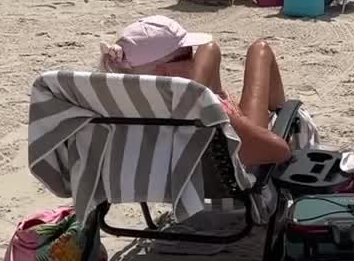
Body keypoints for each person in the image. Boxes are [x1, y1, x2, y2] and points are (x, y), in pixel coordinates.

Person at [99, 16, 292, 167]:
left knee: (210, 49)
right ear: (165, 71)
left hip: (176, 167)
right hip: (236, 162)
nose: (194, 58)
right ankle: (284, 111)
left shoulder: (120, 106)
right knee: (260, 50)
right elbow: (277, 151)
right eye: (187, 54)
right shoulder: (203, 111)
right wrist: (238, 120)